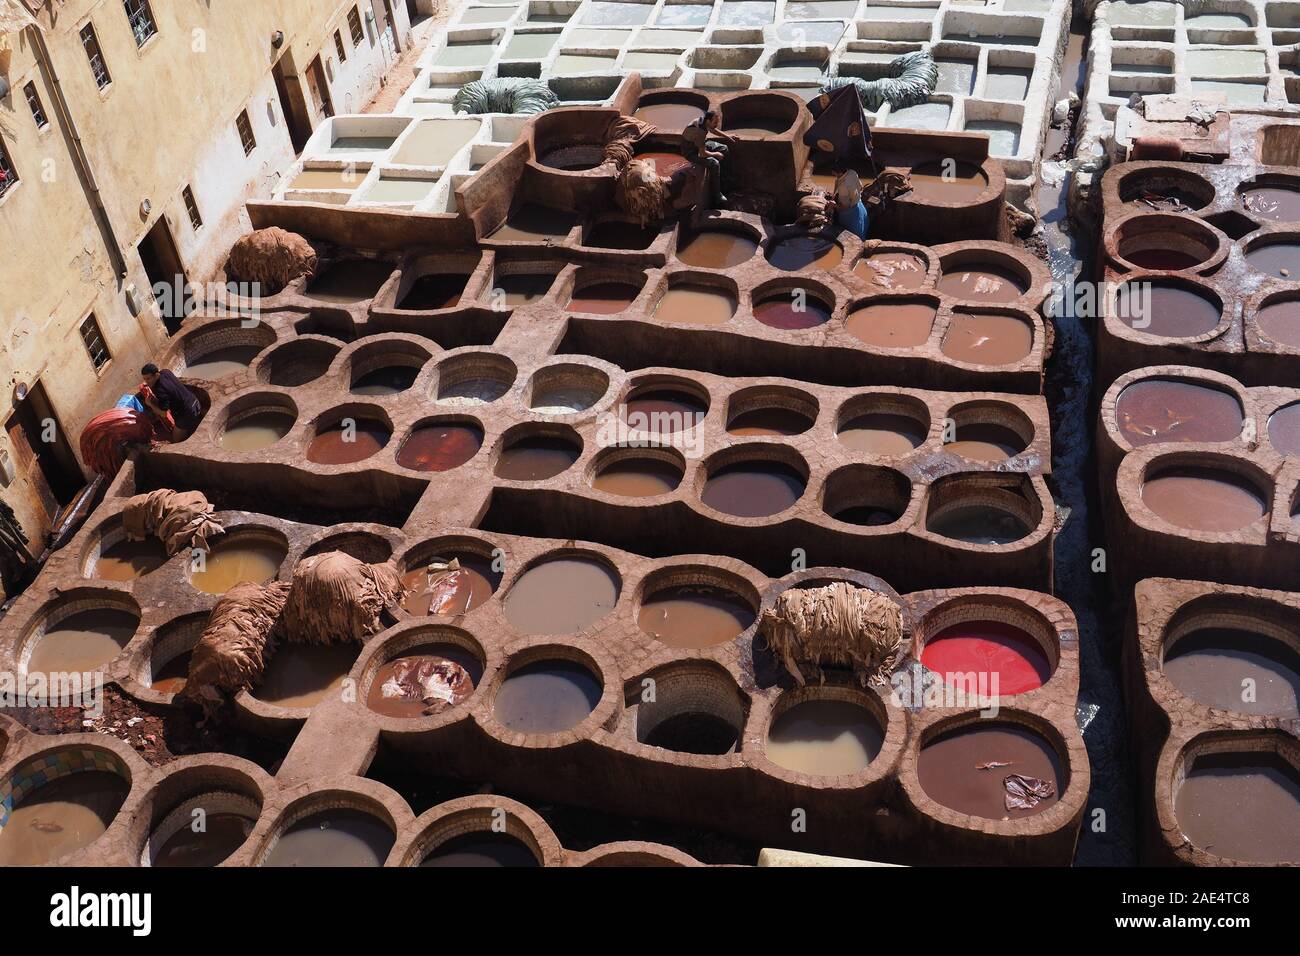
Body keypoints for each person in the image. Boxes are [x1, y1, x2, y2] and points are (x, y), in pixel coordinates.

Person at [681, 110, 734, 208]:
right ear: (708, 121)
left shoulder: (704, 122)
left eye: (717, 122)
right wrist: (716, 154)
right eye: (715, 122)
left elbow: (713, 129)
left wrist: (727, 136)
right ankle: (717, 194)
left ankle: (724, 178)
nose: (716, 124)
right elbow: (703, 153)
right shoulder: (700, 131)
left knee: (724, 148)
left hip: (699, 145)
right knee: (714, 163)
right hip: (691, 152)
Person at [140, 363, 201, 440]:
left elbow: (164, 414)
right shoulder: (166, 372)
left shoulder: (160, 390)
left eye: (148, 379)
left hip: (187, 413)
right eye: (144, 379)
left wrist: (150, 404)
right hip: (195, 402)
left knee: (176, 439)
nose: (146, 382)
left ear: (156, 375)